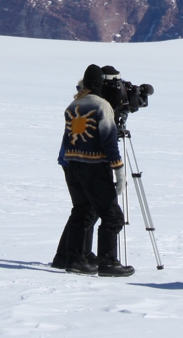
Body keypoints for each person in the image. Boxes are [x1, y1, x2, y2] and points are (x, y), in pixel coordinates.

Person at [55, 64, 133, 277]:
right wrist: (118, 170)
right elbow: (109, 141)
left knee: (82, 212)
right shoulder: (102, 106)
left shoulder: (73, 104)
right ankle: (107, 262)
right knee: (112, 216)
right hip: (95, 167)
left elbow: (67, 139)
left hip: (73, 166)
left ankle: (74, 259)